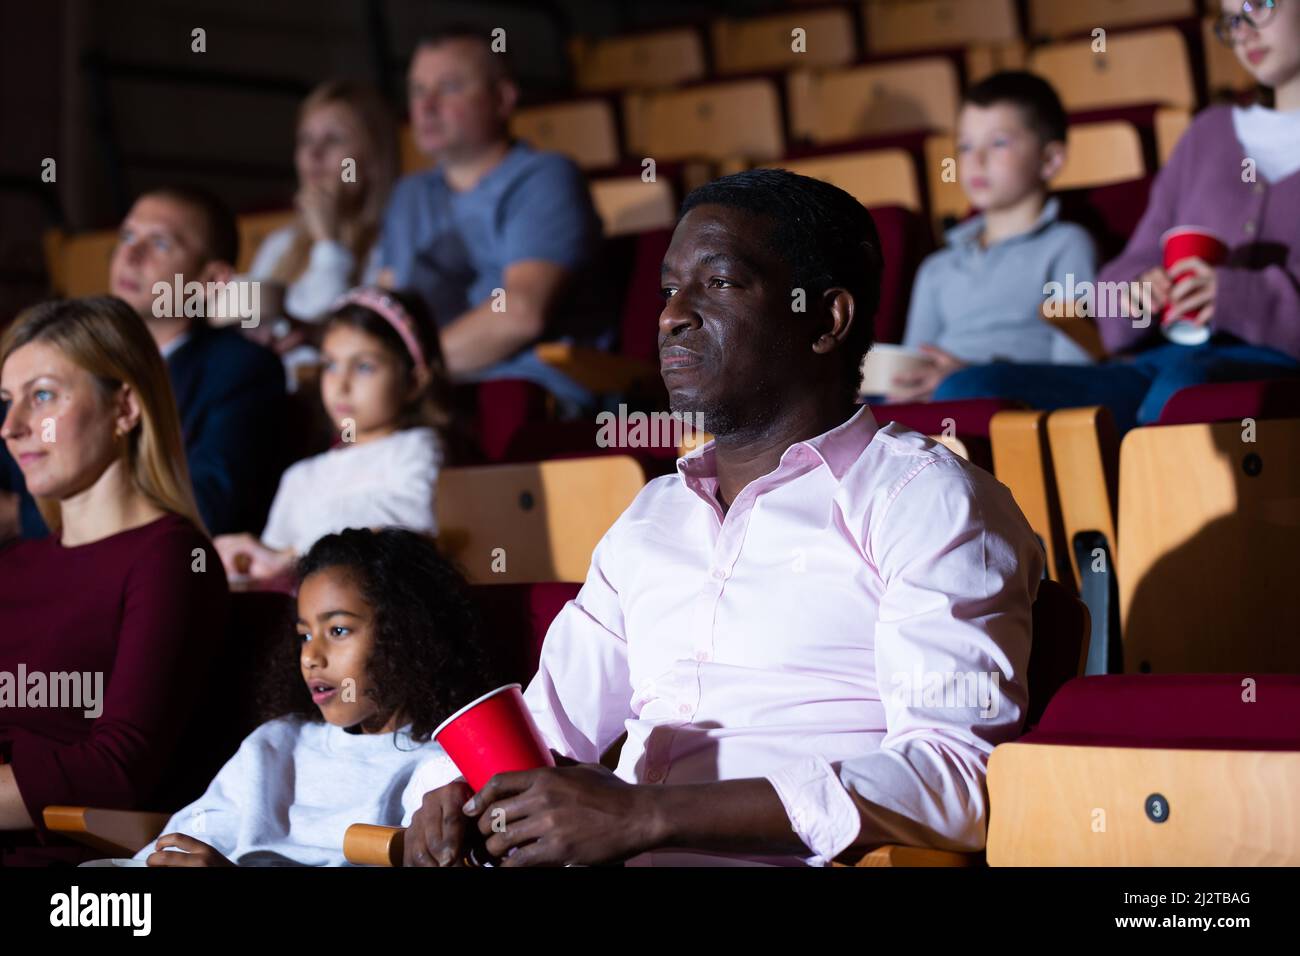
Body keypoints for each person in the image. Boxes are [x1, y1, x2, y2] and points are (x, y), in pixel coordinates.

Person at [403, 169, 1044, 868]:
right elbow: (553, 723)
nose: (672, 314)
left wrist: (648, 815)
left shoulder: (925, 500)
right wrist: (454, 794)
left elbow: (951, 780)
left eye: (720, 283)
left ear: (827, 320)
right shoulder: (653, 515)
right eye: (669, 289)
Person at [933, 0, 1300, 431]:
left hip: (1266, 363)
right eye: (1232, 18)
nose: (1243, 30)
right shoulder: (1208, 132)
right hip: (1152, 365)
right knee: (970, 389)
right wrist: (1137, 291)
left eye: (1261, 5)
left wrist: (1236, 295)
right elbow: (1122, 274)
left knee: (1185, 392)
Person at [0, 297, 228, 866]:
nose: (11, 427)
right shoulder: (12, 565)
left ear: (124, 407)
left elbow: (118, 768)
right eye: (7, 402)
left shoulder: (173, 558)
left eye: (43, 395)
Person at [134, 528, 490, 866]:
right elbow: (180, 840)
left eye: (338, 630)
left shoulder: (439, 770)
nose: (310, 656)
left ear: (407, 634)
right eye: (305, 635)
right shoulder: (277, 741)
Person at [0, 186, 287, 540]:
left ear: (210, 281)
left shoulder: (241, 369)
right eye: (127, 236)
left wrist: (18, 517)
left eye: (161, 243)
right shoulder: (63, 360)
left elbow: (206, 505)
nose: (130, 254)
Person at [377, 25, 606, 411]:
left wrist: (401, 371)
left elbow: (520, 314)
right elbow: (385, 310)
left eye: (448, 88)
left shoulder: (544, 177)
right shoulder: (408, 195)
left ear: (502, 99)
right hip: (427, 393)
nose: (426, 106)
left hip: (525, 393)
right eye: (418, 90)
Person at [213, 288, 447, 586]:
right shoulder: (300, 476)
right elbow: (273, 567)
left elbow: (410, 528)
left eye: (364, 367)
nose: (341, 384)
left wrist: (291, 555)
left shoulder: (417, 450)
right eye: (331, 365)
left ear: (414, 381)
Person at [887, 71, 1096, 403]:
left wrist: (969, 373)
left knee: (964, 388)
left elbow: (1075, 371)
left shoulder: (1067, 245)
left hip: (1012, 401)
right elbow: (912, 368)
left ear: (1050, 159)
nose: (976, 161)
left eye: (998, 143)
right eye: (966, 146)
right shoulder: (937, 267)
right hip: (937, 405)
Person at [243, 81, 398, 386]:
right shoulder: (279, 244)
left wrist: (328, 243)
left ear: (372, 160)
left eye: (333, 140)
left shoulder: (391, 244)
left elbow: (332, 333)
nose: (314, 153)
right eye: (305, 140)